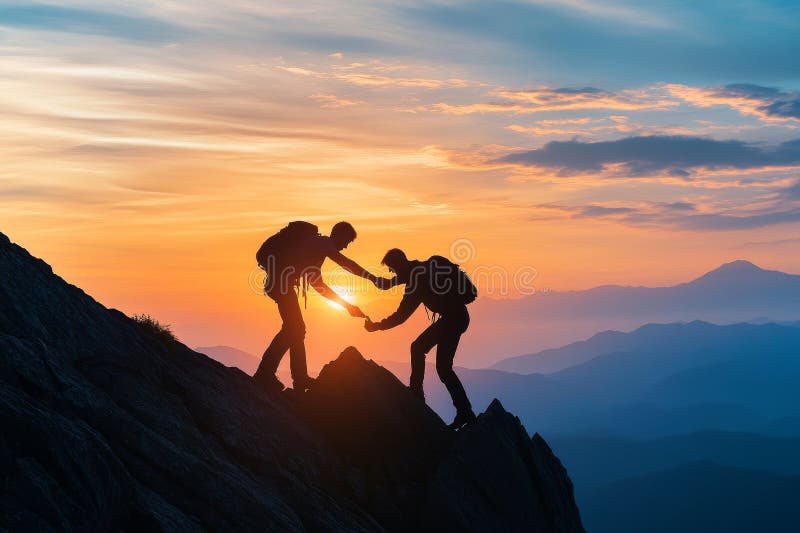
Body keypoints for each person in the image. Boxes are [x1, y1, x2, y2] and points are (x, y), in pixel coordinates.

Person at [253, 221, 392, 393]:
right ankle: (277, 375)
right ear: (339, 235)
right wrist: (372, 278)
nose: (345, 246)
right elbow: (346, 264)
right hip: (280, 284)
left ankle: (287, 377)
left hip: (280, 284)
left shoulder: (316, 252)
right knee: (295, 329)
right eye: (347, 241)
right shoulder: (323, 243)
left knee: (294, 329)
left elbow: (320, 286)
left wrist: (347, 306)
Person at [364, 248, 477, 430]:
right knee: (442, 367)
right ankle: (465, 412)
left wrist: (377, 326)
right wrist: (368, 277)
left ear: (399, 265)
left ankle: (418, 393)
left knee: (419, 349)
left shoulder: (416, 281)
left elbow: (401, 317)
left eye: (392, 268)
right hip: (457, 317)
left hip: (453, 319)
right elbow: (390, 282)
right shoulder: (418, 269)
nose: (393, 273)